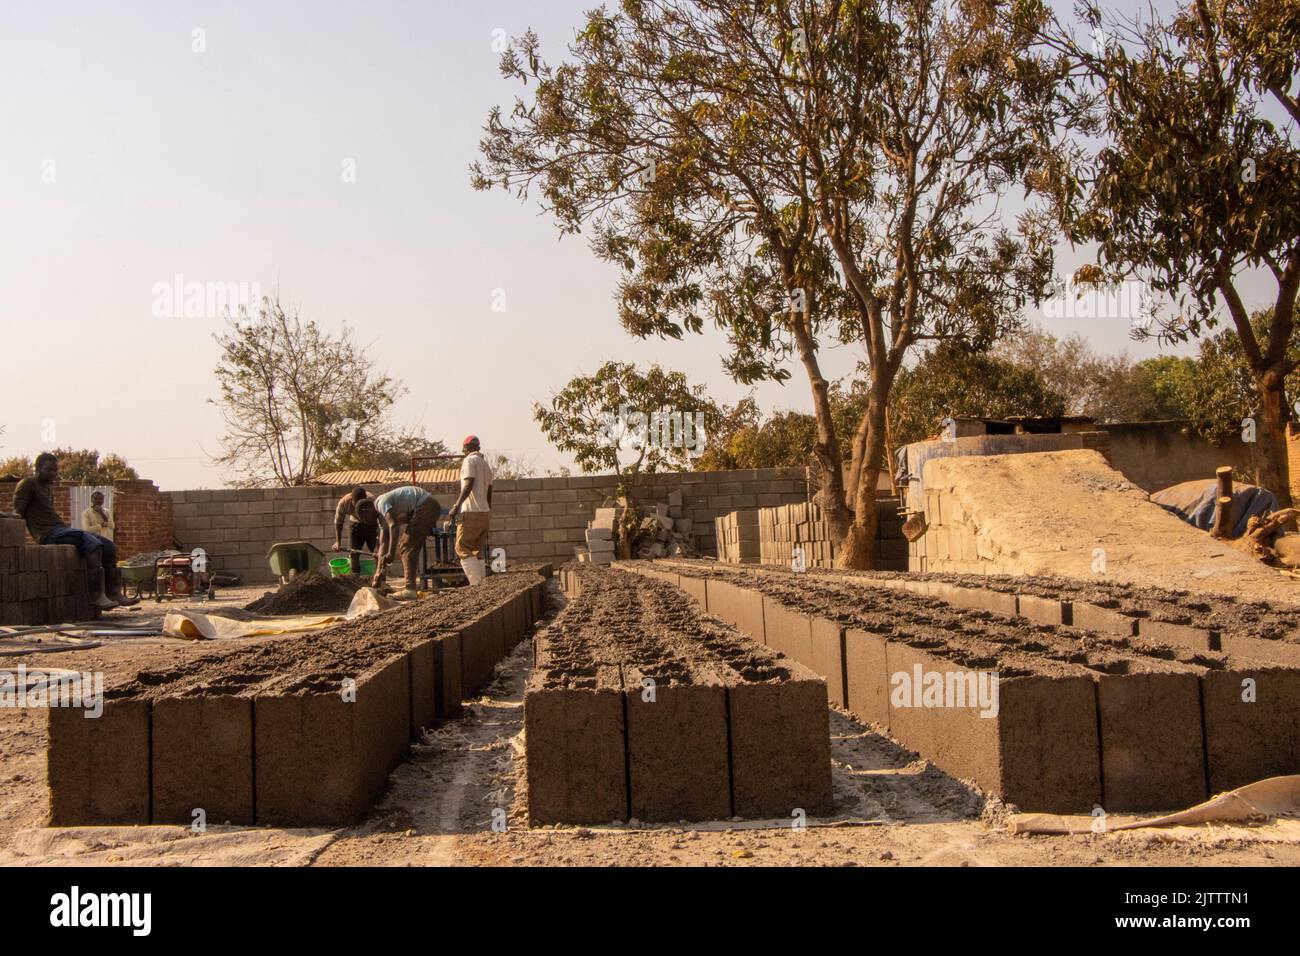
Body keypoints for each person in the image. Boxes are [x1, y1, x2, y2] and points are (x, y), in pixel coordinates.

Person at [12, 453, 137, 610]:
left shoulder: (48, 489)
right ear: (37, 469)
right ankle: (97, 595)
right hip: (48, 534)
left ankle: (113, 593)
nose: (53, 474)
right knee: (93, 543)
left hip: (60, 529)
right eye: (49, 470)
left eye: (55, 470)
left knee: (110, 546)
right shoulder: (27, 483)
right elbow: (17, 513)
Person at [370, 485, 438, 596]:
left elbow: (394, 527)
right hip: (426, 506)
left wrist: (391, 553)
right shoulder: (380, 519)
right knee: (408, 546)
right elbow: (383, 544)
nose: (367, 522)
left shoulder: (381, 504)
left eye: (365, 519)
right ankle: (411, 587)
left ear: (368, 511)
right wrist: (379, 572)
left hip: (426, 506)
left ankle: (410, 589)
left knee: (406, 545)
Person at [449, 435, 493, 585]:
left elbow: (468, 485)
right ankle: (483, 584)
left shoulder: (469, 461)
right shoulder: (485, 465)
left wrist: (456, 506)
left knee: (462, 547)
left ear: (466, 449)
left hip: (471, 510)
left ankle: (476, 584)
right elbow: (489, 491)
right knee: (476, 550)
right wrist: (487, 510)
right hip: (484, 512)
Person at [333, 486, 379, 556]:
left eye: (361, 503)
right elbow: (339, 522)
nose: (358, 506)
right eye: (356, 503)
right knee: (353, 554)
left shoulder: (373, 502)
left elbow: (380, 524)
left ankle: (379, 566)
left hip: (371, 525)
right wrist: (337, 542)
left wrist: (377, 545)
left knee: (377, 553)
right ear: (352, 500)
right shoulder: (344, 503)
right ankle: (354, 566)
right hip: (355, 523)